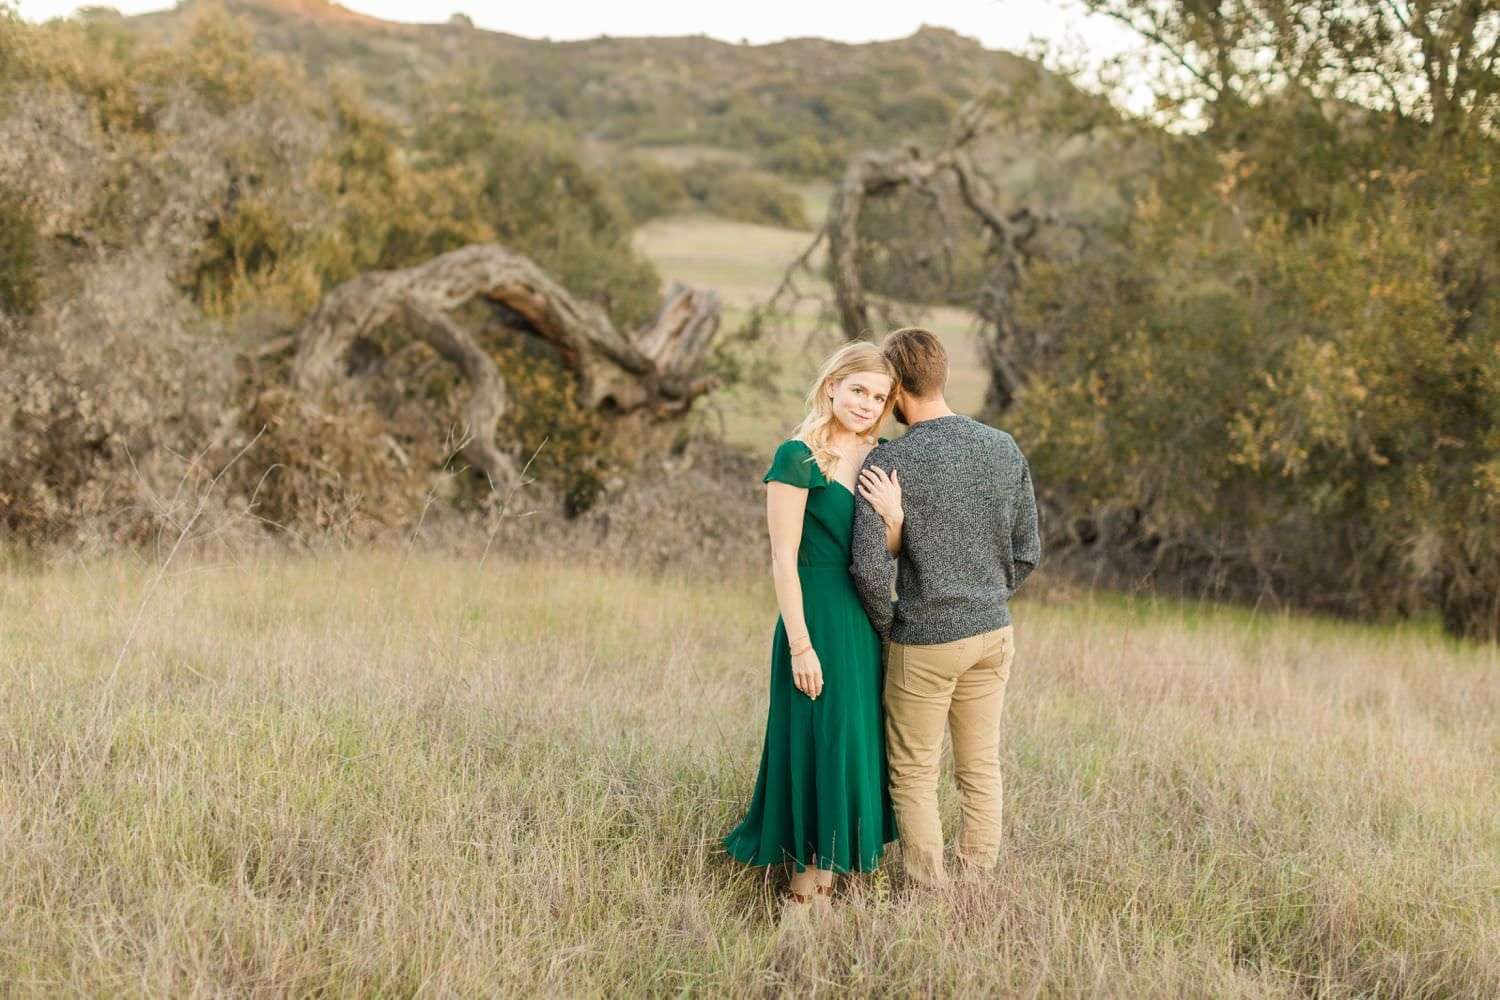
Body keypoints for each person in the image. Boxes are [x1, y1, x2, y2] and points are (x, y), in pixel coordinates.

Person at [850, 326, 1042, 890]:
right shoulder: (1002, 447)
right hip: (993, 633)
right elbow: (1027, 550)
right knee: (980, 768)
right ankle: (975, 884)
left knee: (913, 774)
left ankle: (929, 892)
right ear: (942, 376)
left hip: (925, 638)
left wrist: (892, 625)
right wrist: (985, 594)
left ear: (894, 391)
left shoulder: (890, 465)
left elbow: (868, 567)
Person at [722, 341, 903, 914]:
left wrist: (895, 519)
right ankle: (803, 901)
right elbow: (782, 559)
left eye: (878, 397)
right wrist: (801, 646)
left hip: (863, 625)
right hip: (814, 622)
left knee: (851, 747)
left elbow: (888, 554)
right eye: (858, 391)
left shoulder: (882, 459)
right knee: (816, 747)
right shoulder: (797, 457)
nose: (867, 405)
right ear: (831, 387)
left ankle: (826, 887)